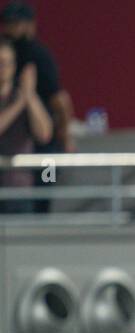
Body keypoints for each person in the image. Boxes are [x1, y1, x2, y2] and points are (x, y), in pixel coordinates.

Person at [2, 2, 72, 213]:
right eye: (7, 23)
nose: (11, 28)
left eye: (15, 23)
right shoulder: (10, 49)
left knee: (45, 182)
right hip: (18, 134)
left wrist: (65, 136)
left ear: (29, 25)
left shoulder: (38, 56)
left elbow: (61, 101)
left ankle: (43, 214)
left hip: (46, 142)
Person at [0, 36, 50, 213]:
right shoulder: (19, 101)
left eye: (7, 63)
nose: (3, 69)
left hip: (19, 190)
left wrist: (29, 96)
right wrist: (19, 103)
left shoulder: (25, 97)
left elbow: (44, 134)